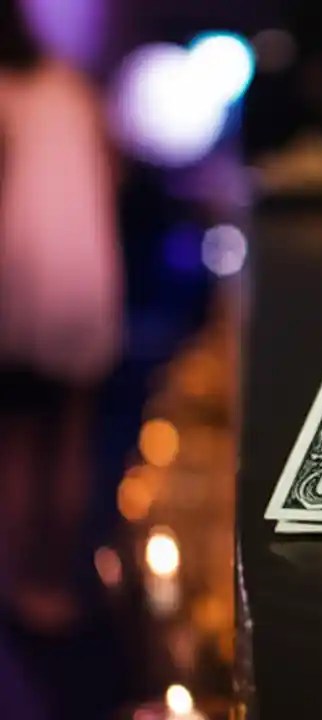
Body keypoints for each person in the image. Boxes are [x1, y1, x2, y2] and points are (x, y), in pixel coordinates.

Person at [0, 0, 123, 635]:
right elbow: (114, 173)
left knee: (19, 440)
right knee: (71, 432)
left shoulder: (8, 94)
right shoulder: (71, 89)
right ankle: (50, 582)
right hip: (86, 280)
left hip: (19, 289)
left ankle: (22, 584)